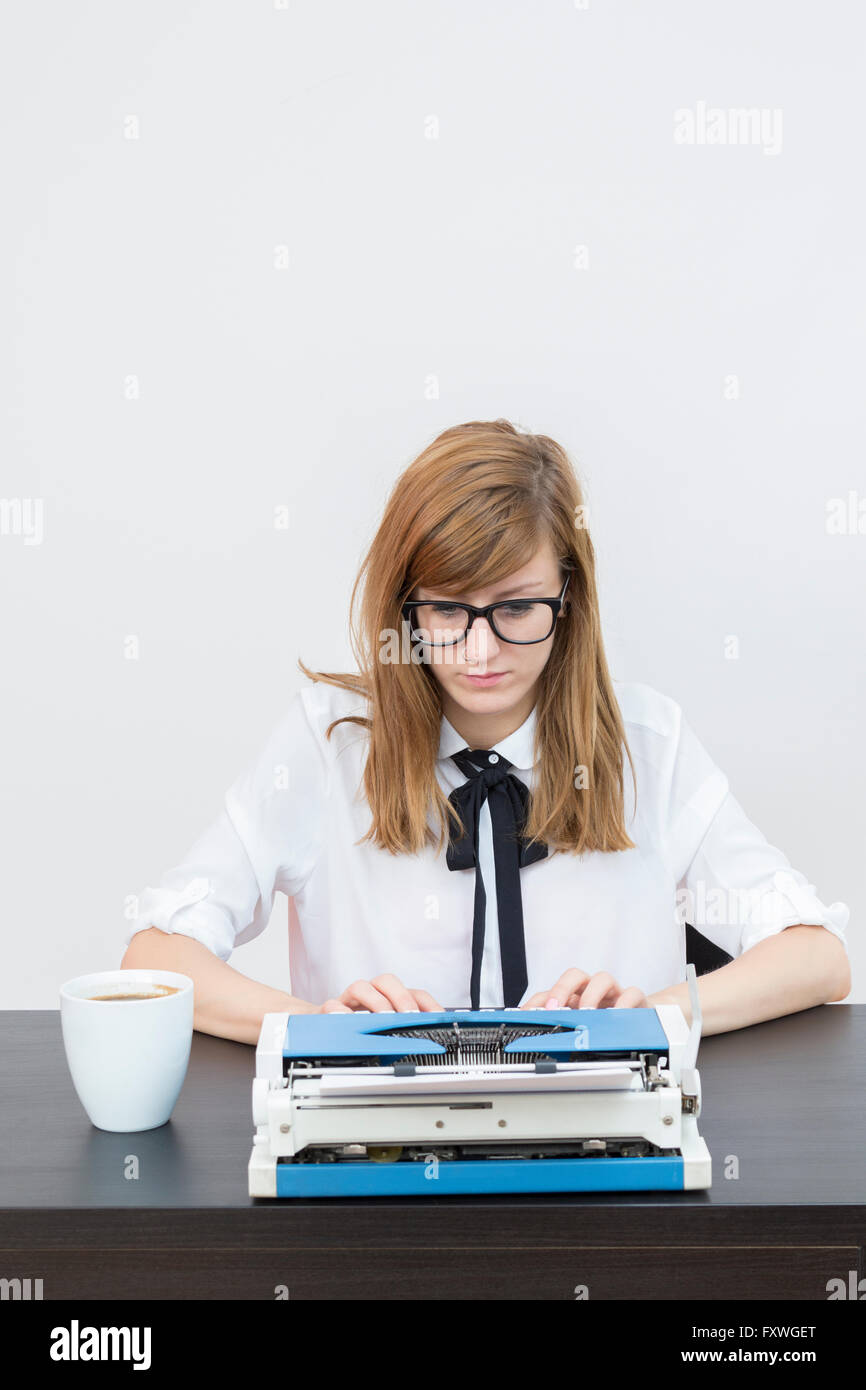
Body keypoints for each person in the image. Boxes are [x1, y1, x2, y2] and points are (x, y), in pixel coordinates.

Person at [121, 419, 850, 1044]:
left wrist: (652, 1017)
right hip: (379, 1158)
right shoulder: (329, 742)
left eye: (515, 608)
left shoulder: (647, 743)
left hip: (607, 1167)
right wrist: (318, 1027)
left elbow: (817, 957)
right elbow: (155, 958)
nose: (479, 651)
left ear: (568, 598)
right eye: (446, 611)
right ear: (403, 606)